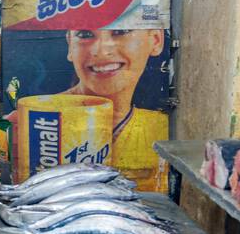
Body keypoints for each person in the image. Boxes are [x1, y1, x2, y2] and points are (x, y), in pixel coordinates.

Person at [62, 27, 168, 190]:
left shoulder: (165, 127)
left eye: (120, 31)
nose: (102, 51)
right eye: (85, 34)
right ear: (70, 45)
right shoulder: (31, 122)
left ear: (155, 40)